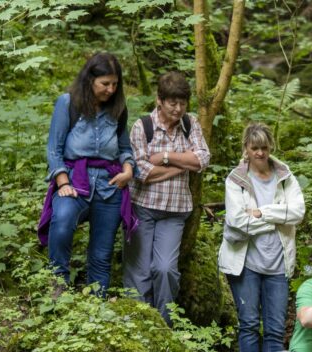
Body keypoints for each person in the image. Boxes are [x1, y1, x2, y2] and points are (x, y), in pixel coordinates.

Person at [218, 122, 305, 352]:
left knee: (276, 327)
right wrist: (277, 216)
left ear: (271, 148)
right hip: (246, 264)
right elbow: (236, 223)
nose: (260, 153)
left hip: (278, 262)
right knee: (249, 323)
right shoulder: (236, 179)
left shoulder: (285, 176)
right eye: (254, 148)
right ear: (246, 148)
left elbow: (298, 212)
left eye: (264, 148)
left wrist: (261, 213)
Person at [39, 52, 135, 295]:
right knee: (61, 224)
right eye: (105, 83)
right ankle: (58, 289)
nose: (111, 89)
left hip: (109, 186)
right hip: (73, 180)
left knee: (102, 255)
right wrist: (62, 182)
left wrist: (128, 170)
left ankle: (96, 306)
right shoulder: (68, 103)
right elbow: (54, 148)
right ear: (89, 80)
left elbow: (124, 149)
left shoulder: (119, 109)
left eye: (115, 84)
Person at [122, 71, 210, 325]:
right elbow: (142, 173)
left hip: (176, 210)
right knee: (139, 271)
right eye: (173, 103)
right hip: (142, 207)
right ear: (159, 100)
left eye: (182, 103)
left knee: (165, 269)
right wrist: (185, 164)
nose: (178, 108)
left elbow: (203, 159)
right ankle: (138, 323)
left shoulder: (190, 124)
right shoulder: (142, 127)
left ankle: (162, 325)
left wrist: (166, 157)